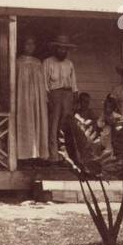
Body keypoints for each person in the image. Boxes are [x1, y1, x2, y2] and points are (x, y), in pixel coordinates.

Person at [43, 35, 78, 164]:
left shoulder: (69, 64)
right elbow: (44, 83)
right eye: (60, 48)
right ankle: (53, 155)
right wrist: (48, 100)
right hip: (54, 95)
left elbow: (74, 83)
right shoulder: (47, 62)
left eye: (65, 49)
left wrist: (75, 97)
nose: (62, 51)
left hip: (67, 95)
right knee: (53, 125)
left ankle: (66, 156)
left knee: (65, 125)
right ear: (55, 49)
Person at [14, 36, 49, 163]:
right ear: (22, 46)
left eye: (32, 44)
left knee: (37, 121)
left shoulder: (38, 63)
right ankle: (24, 155)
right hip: (22, 98)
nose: (30, 46)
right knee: (24, 122)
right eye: (27, 44)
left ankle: (36, 154)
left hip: (36, 98)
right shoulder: (17, 62)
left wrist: (41, 97)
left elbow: (42, 83)